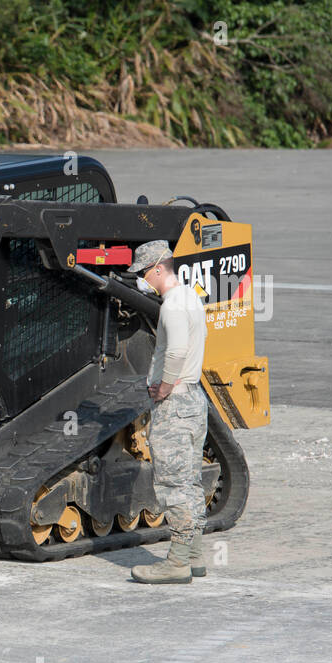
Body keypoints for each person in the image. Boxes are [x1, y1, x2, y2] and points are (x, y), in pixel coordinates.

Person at [126, 240, 209, 585]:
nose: (142, 280)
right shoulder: (191, 297)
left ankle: (176, 562)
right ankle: (193, 556)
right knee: (190, 481)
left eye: (144, 273)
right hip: (193, 400)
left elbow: (175, 350)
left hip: (175, 404)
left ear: (159, 268)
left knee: (173, 484)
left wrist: (164, 386)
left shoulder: (172, 305)